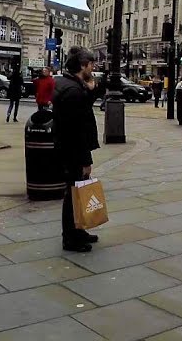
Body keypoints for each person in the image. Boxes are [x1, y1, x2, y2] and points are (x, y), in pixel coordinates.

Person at [53, 47, 100, 253]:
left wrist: (90, 90)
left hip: (68, 148)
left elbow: (83, 109)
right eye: (91, 65)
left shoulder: (68, 84)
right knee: (73, 194)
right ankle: (70, 238)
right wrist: (85, 159)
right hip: (73, 151)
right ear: (83, 66)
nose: (94, 68)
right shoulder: (73, 91)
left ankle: (79, 230)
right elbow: (77, 129)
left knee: (77, 192)